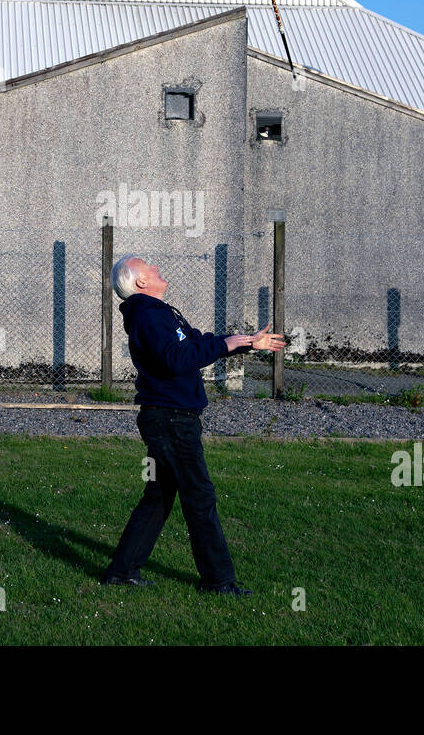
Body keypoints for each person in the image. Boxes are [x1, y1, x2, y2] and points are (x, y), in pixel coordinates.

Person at [101, 254, 286, 596]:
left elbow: (198, 344)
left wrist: (242, 341)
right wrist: (226, 344)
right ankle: (218, 581)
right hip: (171, 420)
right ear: (141, 282)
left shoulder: (159, 313)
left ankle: (122, 572)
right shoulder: (148, 316)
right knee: (199, 496)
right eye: (150, 267)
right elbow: (176, 359)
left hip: (169, 418)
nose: (157, 268)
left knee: (158, 498)